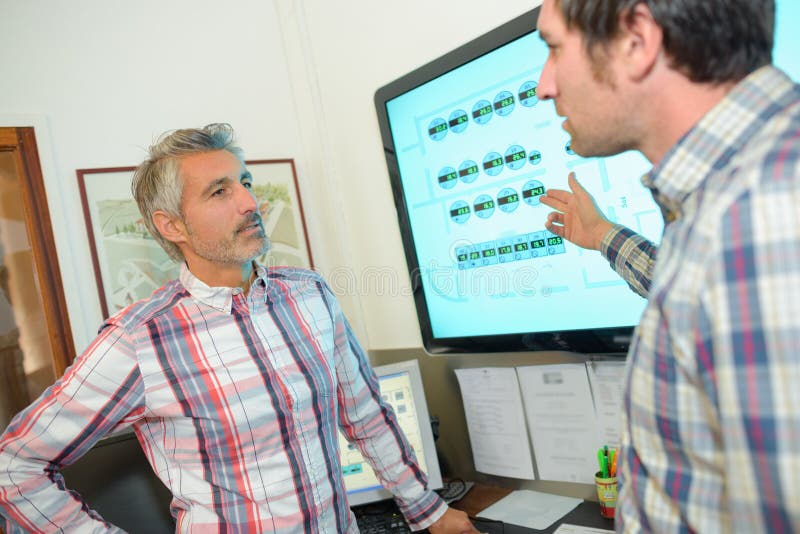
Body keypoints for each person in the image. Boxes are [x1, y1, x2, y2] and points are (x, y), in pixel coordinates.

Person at [0, 124, 477, 533]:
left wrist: (428, 510)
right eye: (220, 191)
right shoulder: (140, 340)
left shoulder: (310, 294)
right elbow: (13, 466)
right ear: (172, 226)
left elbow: (366, 414)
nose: (251, 202)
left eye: (245, 182)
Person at [535, 0, 799, 531]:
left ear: (636, 38)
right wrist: (604, 236)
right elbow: (703, 305)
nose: (545, 84)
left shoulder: (765, 214)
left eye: (554, 48)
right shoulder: (736, 196)